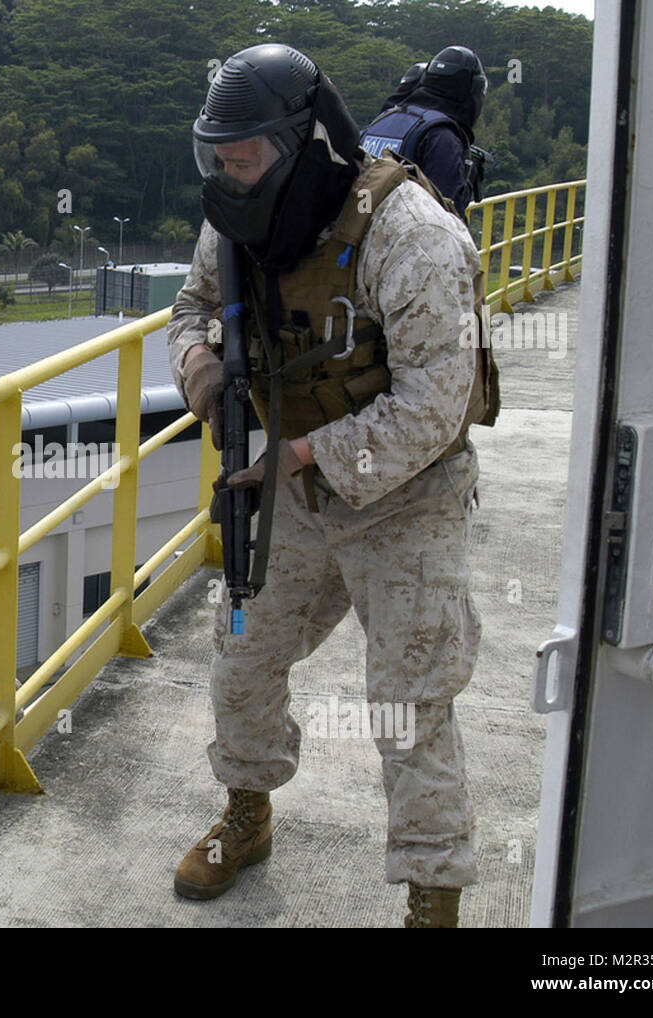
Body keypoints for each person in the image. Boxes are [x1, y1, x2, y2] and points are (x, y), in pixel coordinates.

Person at [168, 44, 497, 927]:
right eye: (216, 159)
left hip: (407, 495)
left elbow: (438, 401)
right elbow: (192, 306)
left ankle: (434, 885)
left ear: (301, 144)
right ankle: (247, 810)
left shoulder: (412, 235)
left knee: (409, 697)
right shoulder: (239, 209)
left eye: (242, 159)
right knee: (240, 648)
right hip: (293, 483)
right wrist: (199, 366)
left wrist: (306, 457)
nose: (226, 178)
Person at [360, 45, 489, 216]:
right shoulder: (441, 137)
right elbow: (446, 214)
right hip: (402, 238)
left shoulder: (380, 122)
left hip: (358, 235)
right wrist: (468, 176)